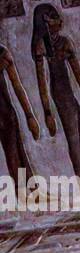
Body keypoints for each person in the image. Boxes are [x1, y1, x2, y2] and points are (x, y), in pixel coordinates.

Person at [31, 4, 80, 180]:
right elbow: (42, 82)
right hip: (60, 95)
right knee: (73, 140)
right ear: (46, 23)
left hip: (69, 95)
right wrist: (48, 112)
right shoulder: (41, 46)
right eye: (54, 18)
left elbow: (79, 76)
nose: (60, 21)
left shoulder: (64, 42)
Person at [0, 41, 40, 182]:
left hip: (6, 112)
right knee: (12, 155)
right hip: (4, 114)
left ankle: (29, 189)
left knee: (17, 151)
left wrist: (29, 116)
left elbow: (17, 86)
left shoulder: (2, 52)